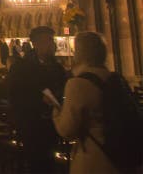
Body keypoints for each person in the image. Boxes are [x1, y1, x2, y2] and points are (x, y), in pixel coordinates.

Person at [48, 32, 120, 173]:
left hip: (94, 157)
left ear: (80, 53)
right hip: (120, 154)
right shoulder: (115, 78)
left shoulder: (78, 83)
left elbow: (67, 129)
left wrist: (56, 109)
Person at [7, 25, 67, 173]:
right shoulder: (21, 67)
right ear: (37, 43)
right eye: (49, 41)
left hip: (54, 123)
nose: (53, 45)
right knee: (38, 163)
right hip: (32, 124)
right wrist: (39, 100)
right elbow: (13, 95)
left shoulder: (57, 67)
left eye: (52, 41)